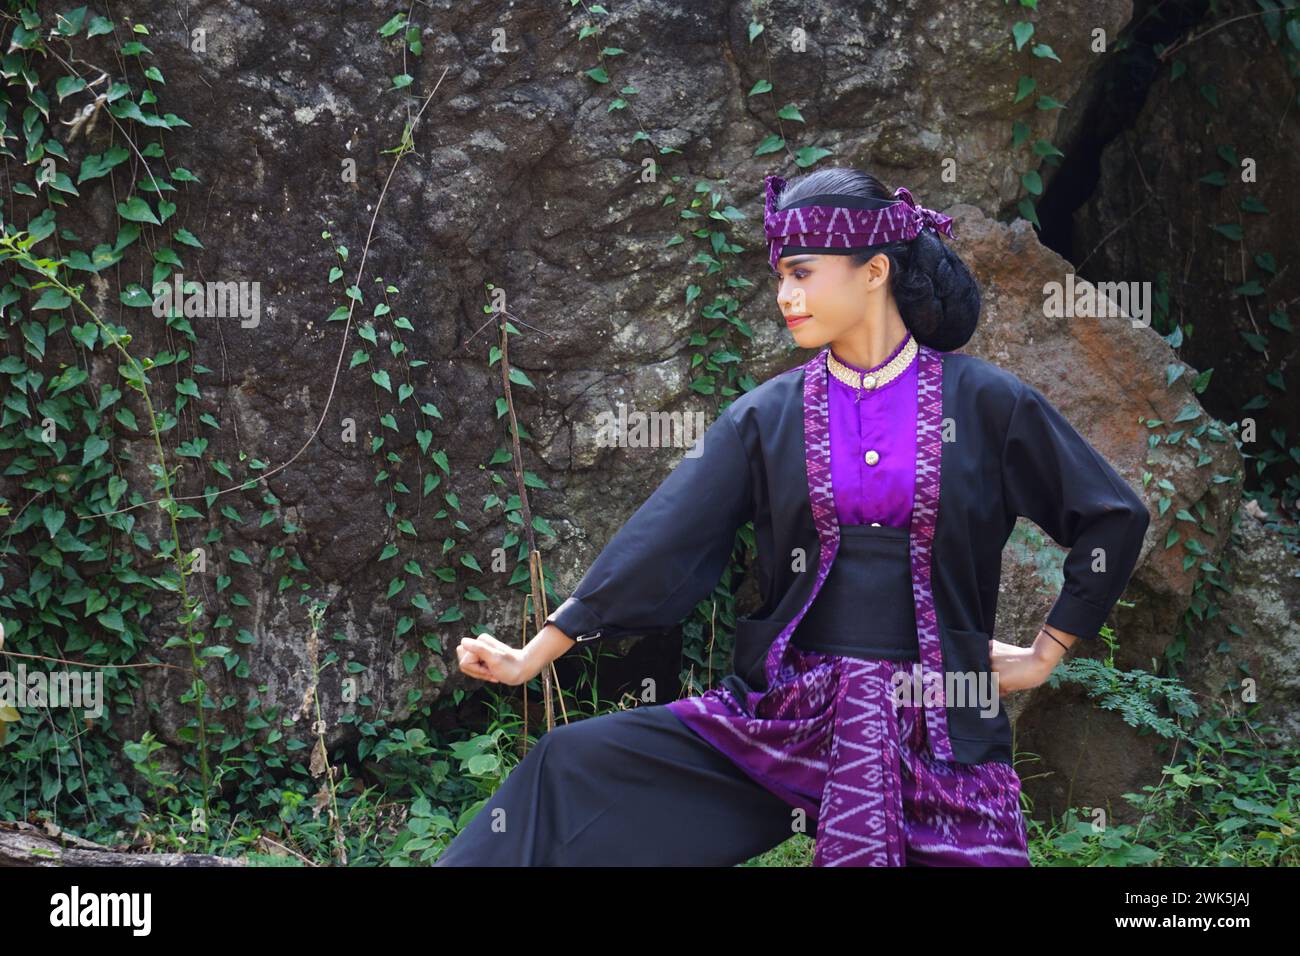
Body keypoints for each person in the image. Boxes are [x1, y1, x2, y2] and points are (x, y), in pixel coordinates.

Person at [434, 167, 1151, 867]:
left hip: (939, 721)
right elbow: (662, 540)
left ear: (874, 273)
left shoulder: (986, 403)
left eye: (803, 273)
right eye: (780, 276)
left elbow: (1112, 516)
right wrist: (534, 655)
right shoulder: (767, 416)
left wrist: (1043, 654)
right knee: (570, 766)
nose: (785, 295)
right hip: (791, 717)